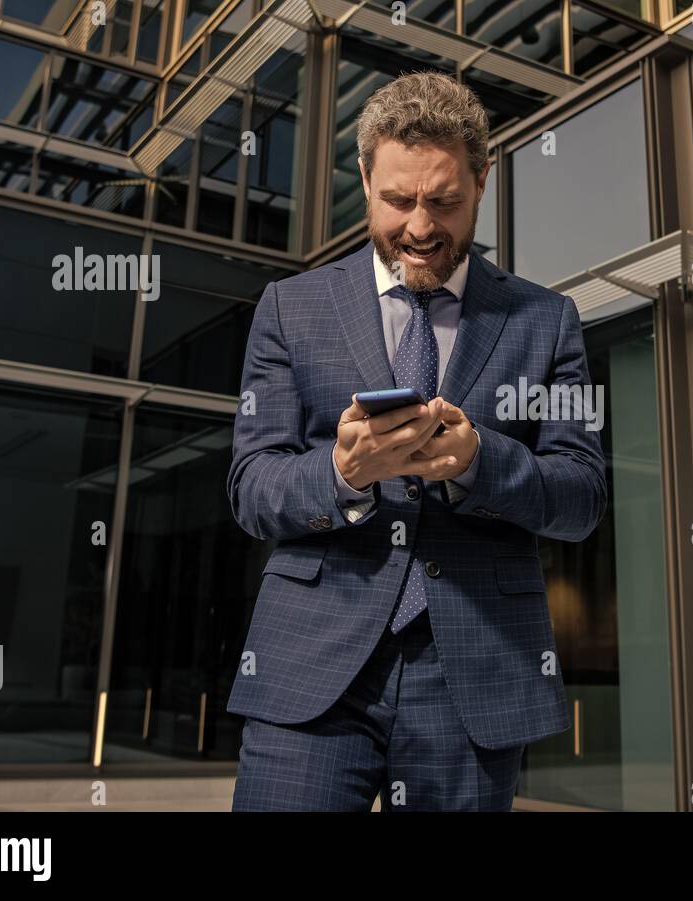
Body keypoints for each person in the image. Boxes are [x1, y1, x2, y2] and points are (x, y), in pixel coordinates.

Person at [226, 71, 607, 811]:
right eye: (399, 200)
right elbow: (251, 486)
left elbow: (583, 496)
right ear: (365, 178)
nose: (422, 228)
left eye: (445, 201)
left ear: (482, 181)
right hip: (310, 667)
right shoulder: (289, 308)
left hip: (474, 673)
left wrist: (478, 463)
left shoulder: (546, 321)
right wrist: (339, 474)